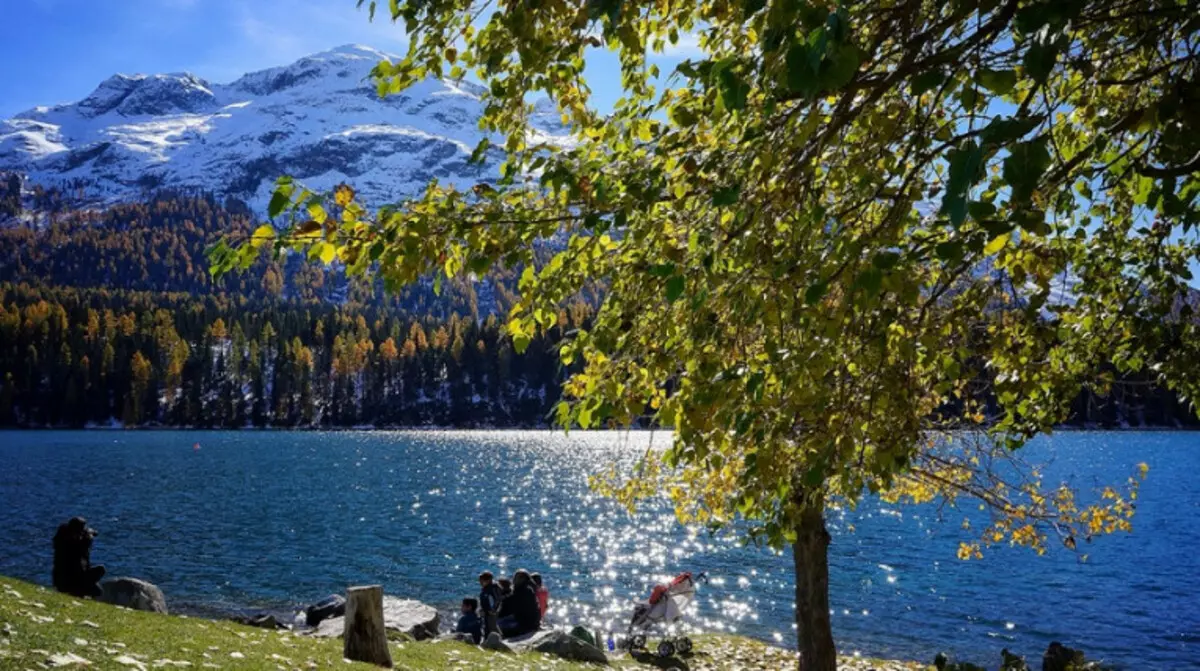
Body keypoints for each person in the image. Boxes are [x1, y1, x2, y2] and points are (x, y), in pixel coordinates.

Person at [52, 517, 105, 598]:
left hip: (60, 582)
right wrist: (89, 537)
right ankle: (79, 592)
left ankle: (80, 592)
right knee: (101, 570)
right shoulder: (79, 544)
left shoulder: (60, 539)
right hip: (72, 581)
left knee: (97, 590)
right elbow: (82, 549)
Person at [496, 569, 540, 638]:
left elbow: (505, 610)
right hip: (533, 623)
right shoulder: (529, 590)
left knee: (497, 623)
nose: (513, 580)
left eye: (515, 578)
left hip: (526, 626)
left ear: (522, 579)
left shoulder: (521, 592)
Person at [478, 571, 502, 637]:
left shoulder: (492, 589)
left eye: (482, 581)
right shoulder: (487, 588)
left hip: (491, 612)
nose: (480, 583)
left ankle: (495, 639)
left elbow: (497, 600)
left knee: (491, 627)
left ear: (488, 580)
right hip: (487, 611)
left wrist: (492, 610)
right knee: (490, 626)